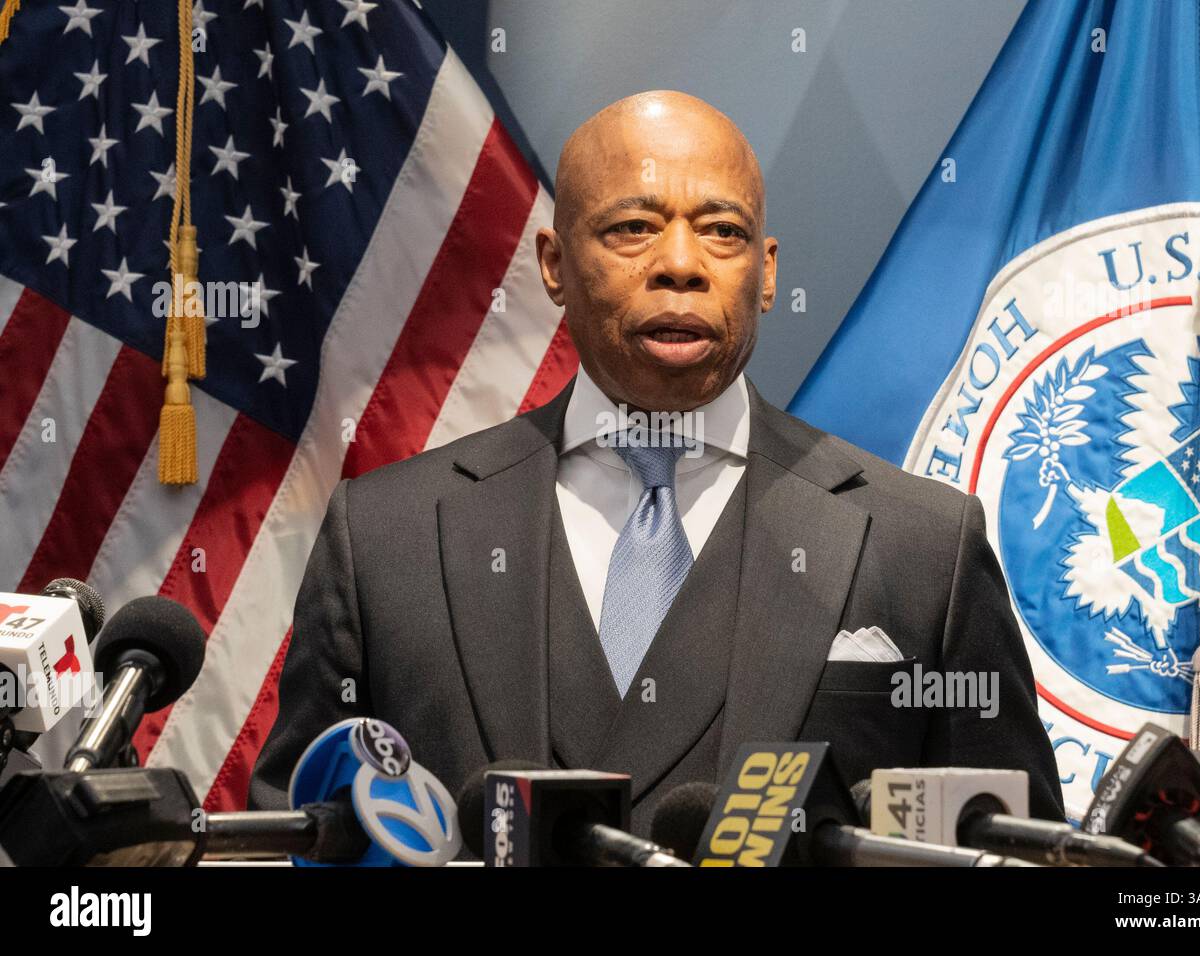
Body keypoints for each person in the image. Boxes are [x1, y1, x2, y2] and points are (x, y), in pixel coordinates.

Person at [249, 90, 1065, 832]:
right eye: (633, 228)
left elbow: (1010, 850)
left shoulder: (920, 546)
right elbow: (300, 840)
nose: (681, 263)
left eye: (723, 232)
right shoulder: (387, 540)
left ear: (768, 273)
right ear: (555, 264)